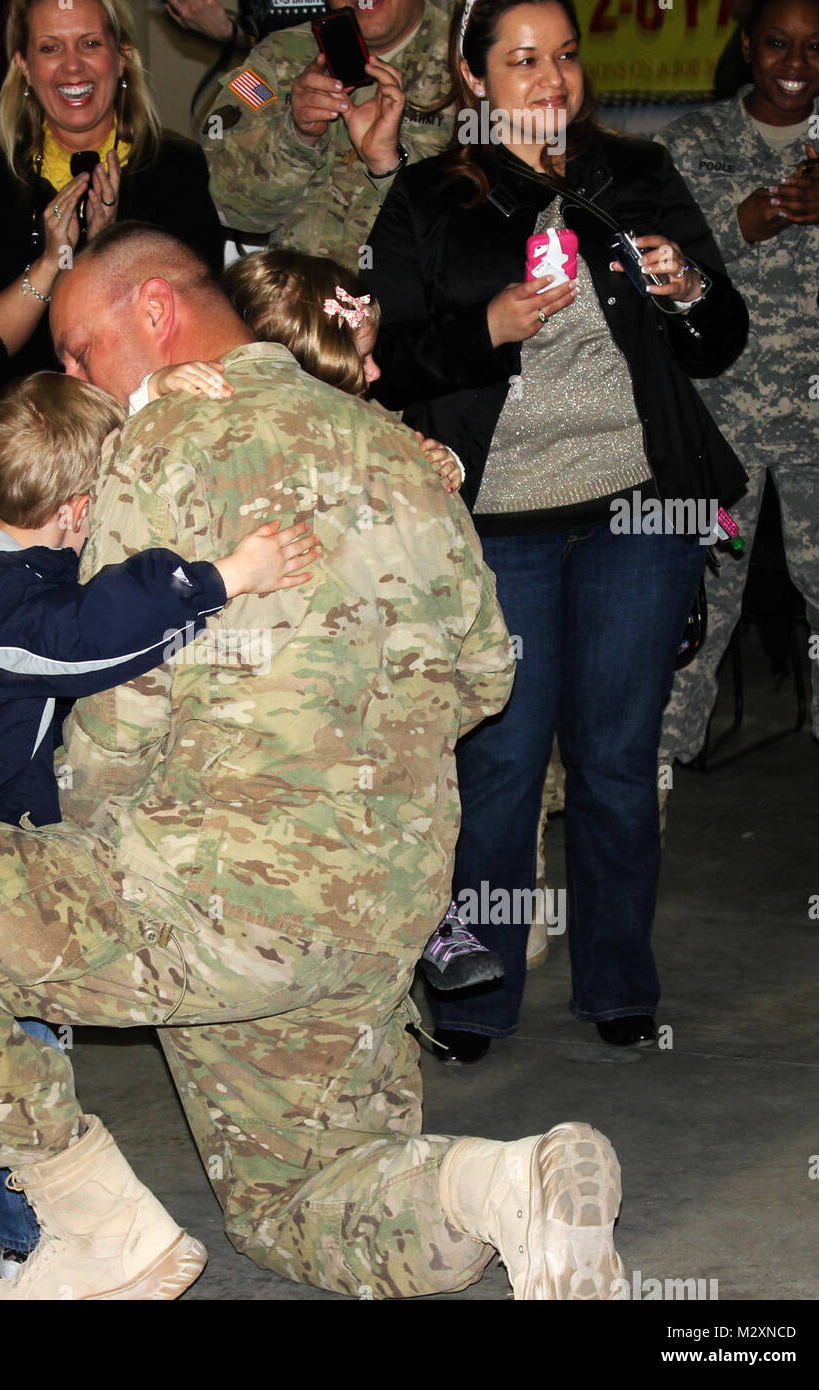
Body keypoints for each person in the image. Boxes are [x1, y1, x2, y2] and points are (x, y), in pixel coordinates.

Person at [0, 222, 628, 1303]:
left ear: (152, 313)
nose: (72, 378)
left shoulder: (149, 452)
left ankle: (95, 1224)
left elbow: (116, 723)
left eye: (79, 352)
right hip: (385, 905)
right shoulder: (400, 451)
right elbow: (484, 675)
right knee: (298, 1203)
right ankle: (506, 1186)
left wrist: (93, 869)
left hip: (210, 899)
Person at [0, 370, 319, 1298]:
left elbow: (90, 519)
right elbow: (84, 639)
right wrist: (225, 579)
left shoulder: (17, 544)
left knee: (22, 1075)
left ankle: (39, 1251)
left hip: (12, 880)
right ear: (78, 512)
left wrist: (158, 394)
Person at [365, 0, 749, 1062]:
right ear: (473, 78)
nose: (550, 80)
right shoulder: (430, 195)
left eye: (565, 57)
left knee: (617, 760)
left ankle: (619, 981)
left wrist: (686, 288)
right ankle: (477, 997)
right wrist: (485, 328)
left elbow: (721, 338)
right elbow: (382, 356)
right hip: (498, 526)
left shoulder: (632, 174)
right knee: (500, 761)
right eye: (522, 60)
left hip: (638, 507)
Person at [220, 246, 503, 991]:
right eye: (363, 361)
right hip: (265, 680)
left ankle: (425, 914)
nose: (377, 377)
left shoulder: (371, 424)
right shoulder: (216, 432)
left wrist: (438, 466)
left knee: (398, 747)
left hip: (365, 661)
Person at [658, 0, 819, 774]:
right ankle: (651, 782)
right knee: (695, 605)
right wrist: (738, 225)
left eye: (817, 48)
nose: (795, 64)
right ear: (746, 46)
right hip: (717, 414)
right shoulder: (690, 140)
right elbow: (651, 263)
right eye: (776, 43)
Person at [0, 0, 225, 400]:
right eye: (50, 48)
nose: (72, 67)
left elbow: (195, 324)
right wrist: (49, 262)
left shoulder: (174, 165)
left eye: (90, 44)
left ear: (122, 57)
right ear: (24, 65)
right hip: (34, 431)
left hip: (149, 422)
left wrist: (107, 247)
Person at [198, 0, 453, 267]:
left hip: (413, 302)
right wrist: (296, 137)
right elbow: (225, 207)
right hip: (299, 300)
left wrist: (390, 163)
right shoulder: (279, 56)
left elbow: (471, 240)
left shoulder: (468, 66)